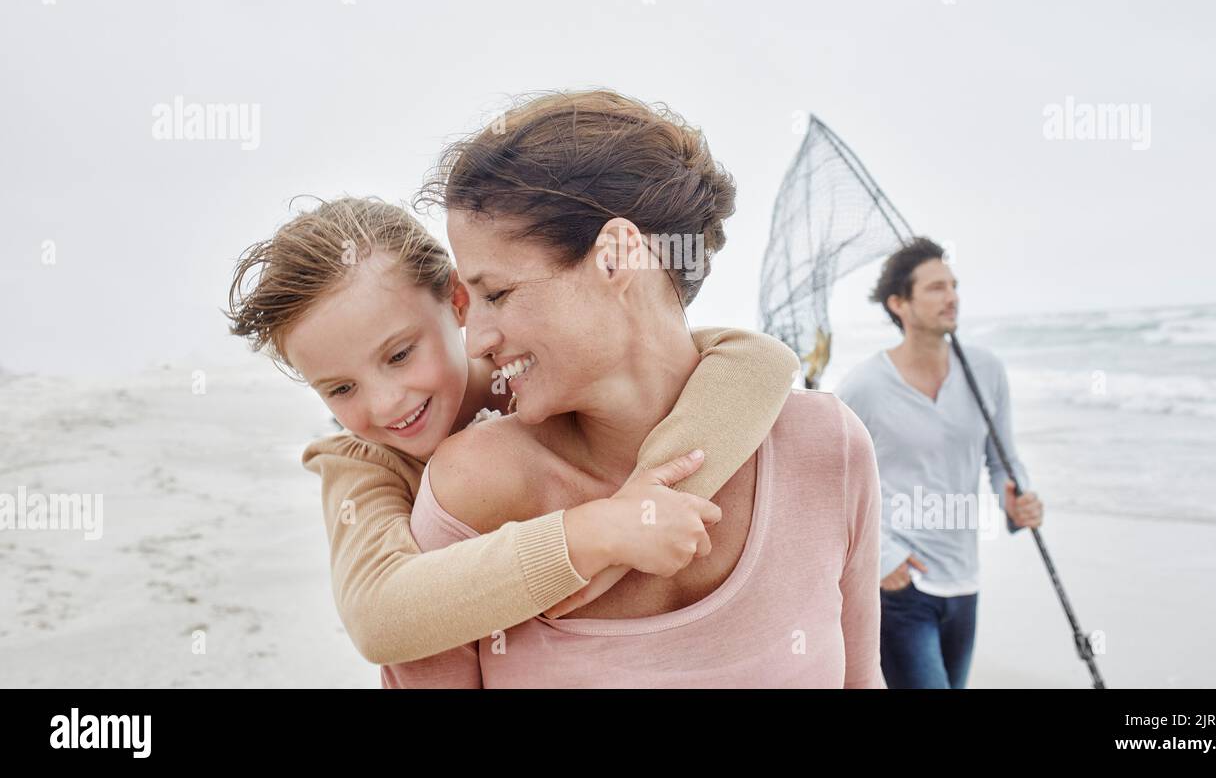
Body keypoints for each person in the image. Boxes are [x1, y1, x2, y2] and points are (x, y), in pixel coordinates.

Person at [385, 89, 884, 687]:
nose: (477, 340)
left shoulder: (828, 447)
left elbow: (864, 678)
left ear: (617, 257)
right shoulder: (471, 489)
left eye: (498, 294)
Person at [224, 196, 800, 666]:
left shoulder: (540, 374)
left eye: (399, 354)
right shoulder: (364, 463)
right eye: (340, 390)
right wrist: (592, 536)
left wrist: (652, 504)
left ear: (456, 300)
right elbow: (379, 617)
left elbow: (756, 359)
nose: (385, 403)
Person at [835, 237, 1043, 688]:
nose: (951, 297)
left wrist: (1019, 502)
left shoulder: (985, 371)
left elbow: (1003, 461)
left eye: (953, 285)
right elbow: (829, 478)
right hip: (900, 582)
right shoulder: (865, 387)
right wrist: (883, 557)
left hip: (964, 577)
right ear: (899, 304)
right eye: (934, 288)